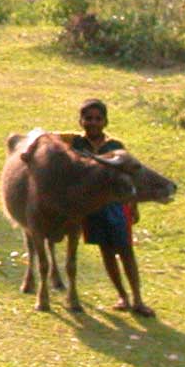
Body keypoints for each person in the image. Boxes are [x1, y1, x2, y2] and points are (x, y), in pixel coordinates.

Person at [70, 98, 153, 316]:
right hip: (92, 208)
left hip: (117, 206)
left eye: (98, 118)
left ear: (105, 122)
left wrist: (134, 206)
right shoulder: (76, 145)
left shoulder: (116, 147)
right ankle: (122, 297)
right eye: (88, 118)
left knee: (126, 251)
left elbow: (129, 177)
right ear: (80, 121)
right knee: (106, 251)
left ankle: (138, 299)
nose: (93, 123)